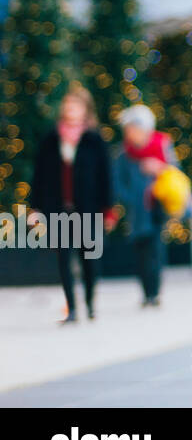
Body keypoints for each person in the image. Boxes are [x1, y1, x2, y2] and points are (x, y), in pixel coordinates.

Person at [30, 85, 112, 324]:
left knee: (88, 259)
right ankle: (72, 308)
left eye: (75, 105)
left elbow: (104, 177)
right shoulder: (51, 138)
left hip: (87, 208)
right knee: (63, 259)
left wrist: (107, 209)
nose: (70, 109)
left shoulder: (94, 139)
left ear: (85, 109)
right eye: (67, 105)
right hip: (58, 208)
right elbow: (40, 175)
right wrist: (35, 208)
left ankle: (89, 303)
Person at [112, 105, 176, 308]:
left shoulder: (162, 146)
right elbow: (118, 182)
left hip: (157, 209)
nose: (130, 133)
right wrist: (130, 198)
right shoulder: (123, 154)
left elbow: (176, 174)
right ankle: (146, 292)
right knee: (140, 252)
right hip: (136, 213)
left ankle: (154, 293)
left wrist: (159, 168)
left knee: (155, 250)